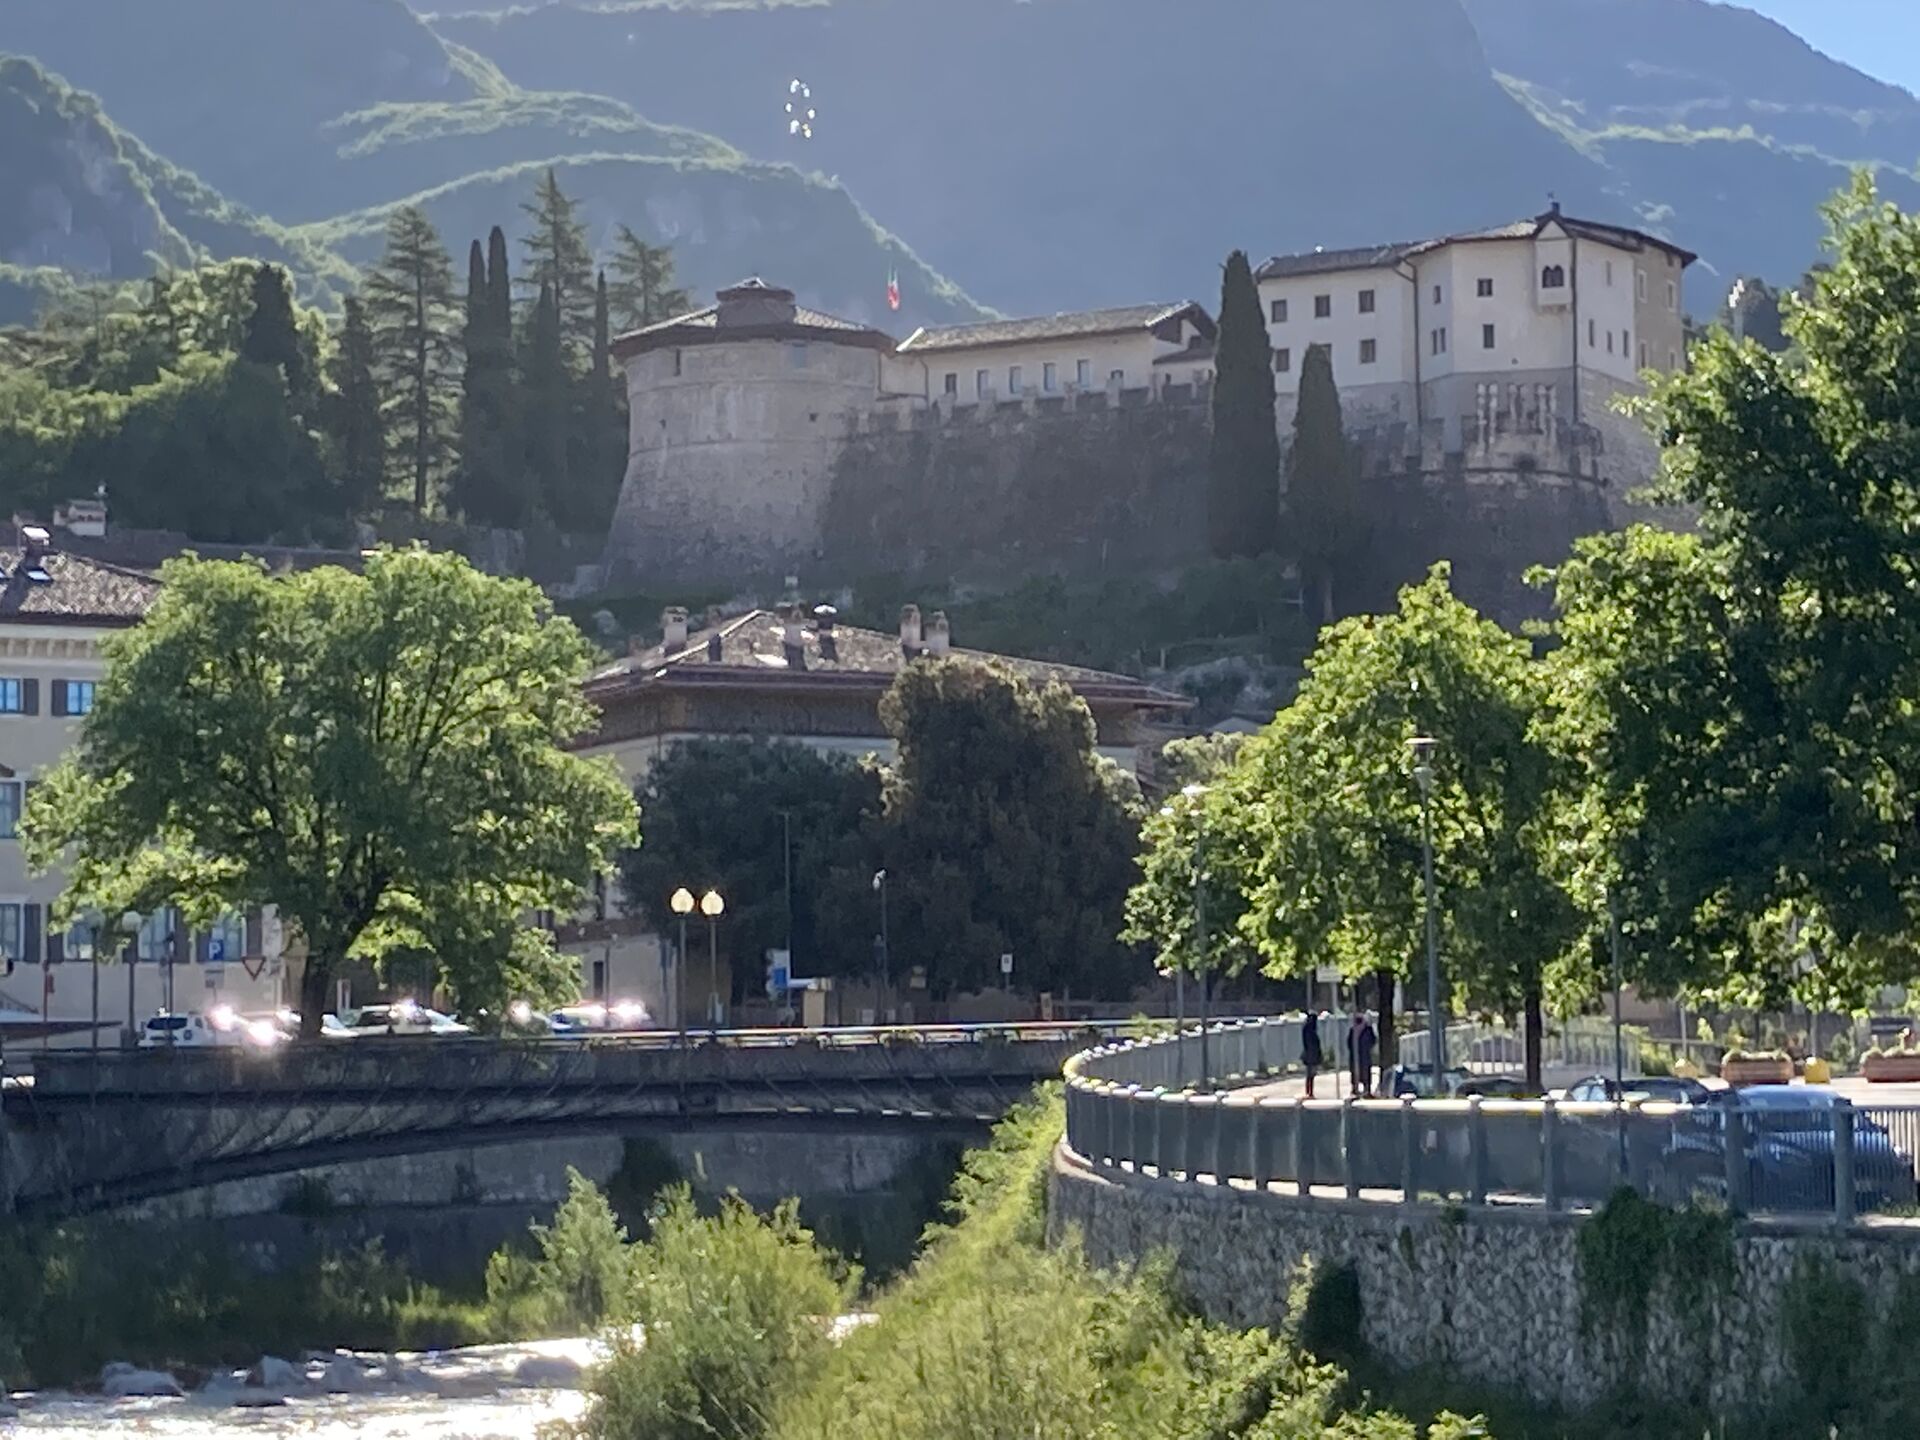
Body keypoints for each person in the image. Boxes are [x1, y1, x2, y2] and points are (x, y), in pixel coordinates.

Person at [1347, 1011, 1377, 1098]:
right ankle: (1355, 1089)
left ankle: (1367, 1090)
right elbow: (1349, 1042)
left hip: (1365, 1055)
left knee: (1366, 1073)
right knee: (1355, 1073)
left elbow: (1373, 1040)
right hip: (1355, 1056)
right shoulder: (1353, 1030)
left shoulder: (1368, 1029)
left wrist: (1368, 1048)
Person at [1301, 1010, 1324, 1097]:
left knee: (1310, 1075)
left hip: (1309, 1054)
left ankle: (1309, 1092)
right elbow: (1313, 1045)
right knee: (1310, 1075)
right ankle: (1309, 1092)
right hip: (1311, 1055)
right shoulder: (1310, 1031)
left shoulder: (1306, 1029)